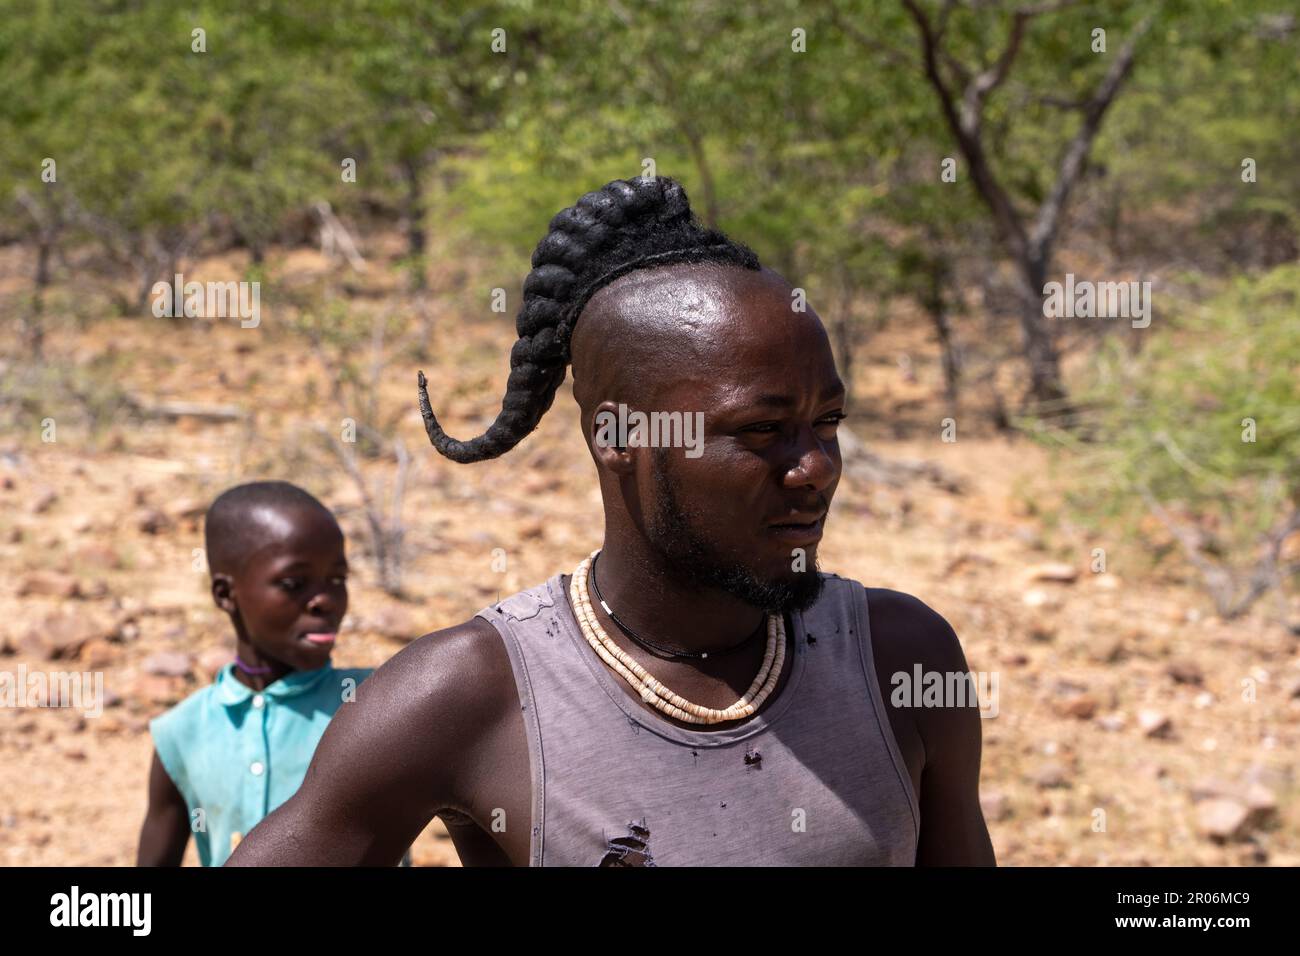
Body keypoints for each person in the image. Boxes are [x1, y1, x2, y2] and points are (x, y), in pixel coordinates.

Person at [228, 176, 995, 866]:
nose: (816, 466)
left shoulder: (899, 660)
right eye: (762, 431)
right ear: (619, 438)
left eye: (826, 421)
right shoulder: (473, 697)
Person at [136, 480, 381, 866]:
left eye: (337, 579)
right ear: (225, 594)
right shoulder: (181, 733)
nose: (325, 600)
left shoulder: (377, 704)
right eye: (293, 583)